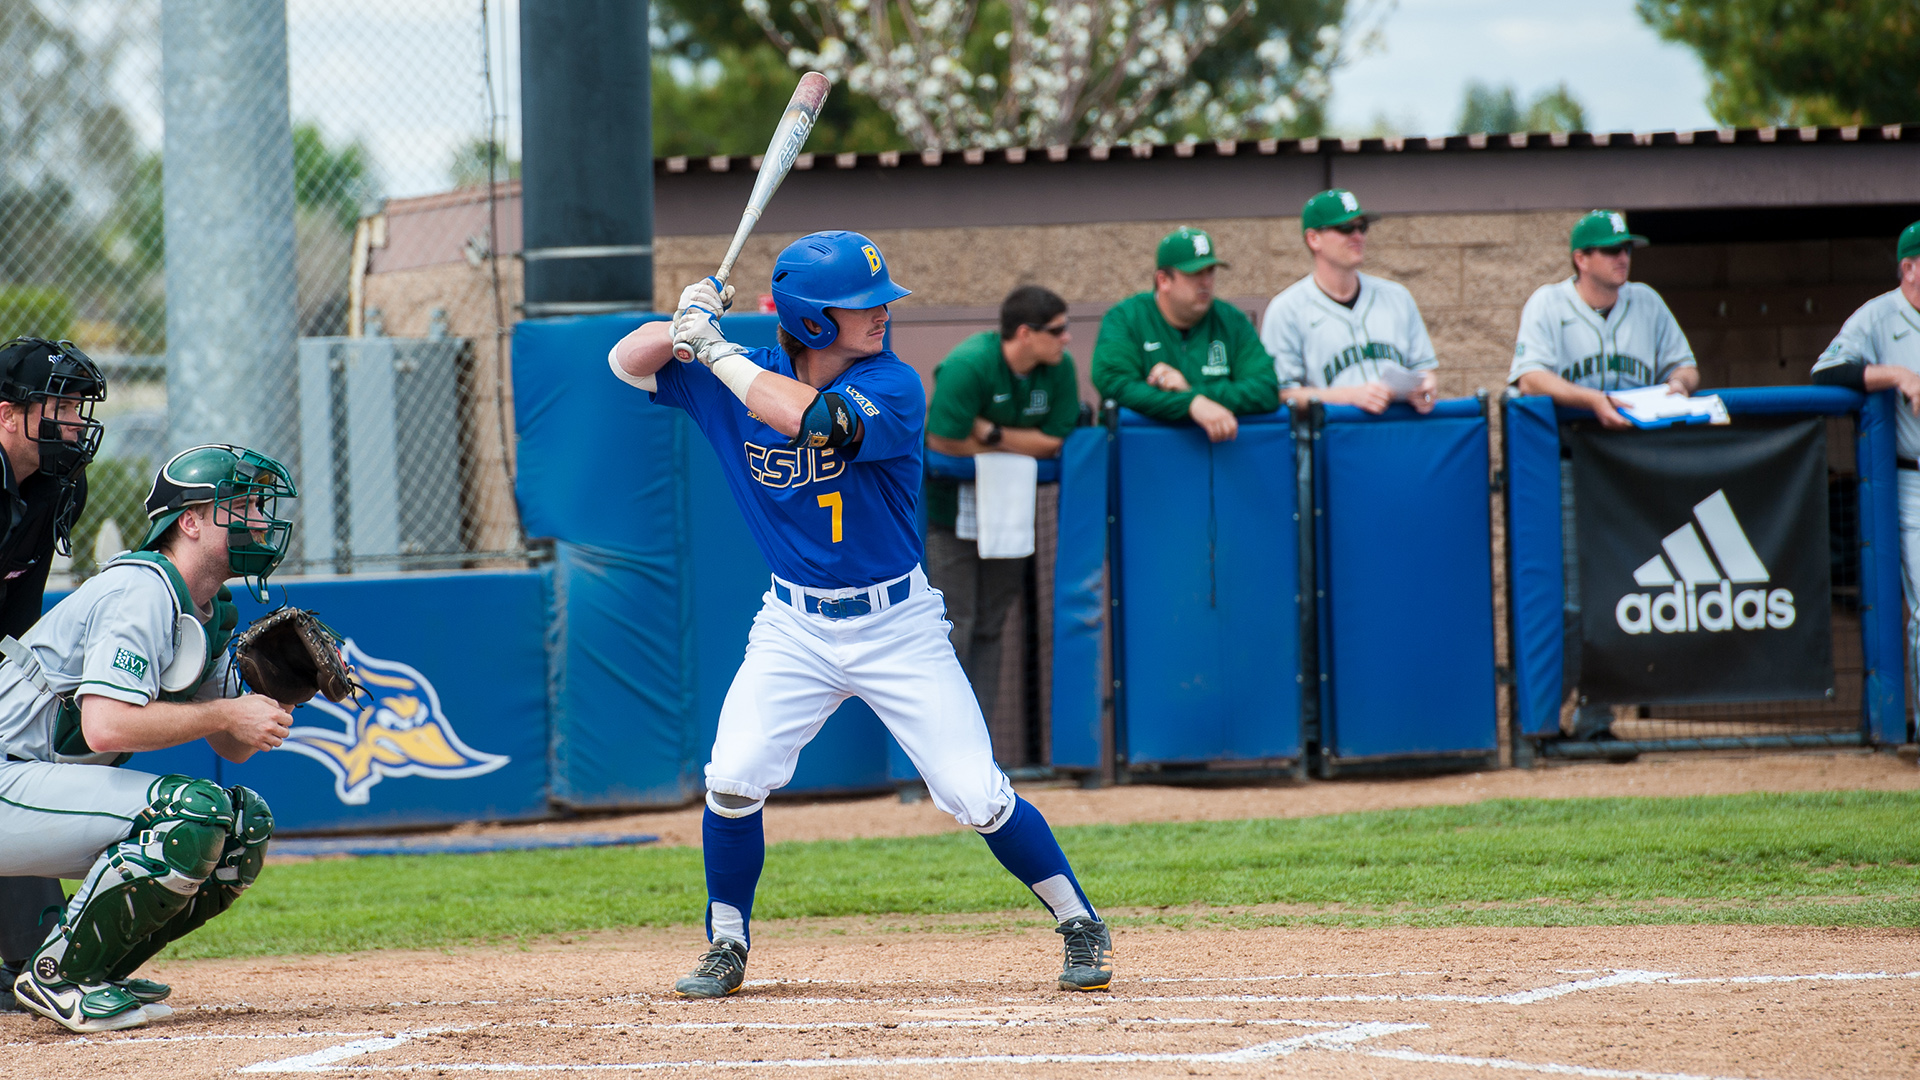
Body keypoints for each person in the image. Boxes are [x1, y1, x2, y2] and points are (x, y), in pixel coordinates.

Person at [607, 231, 1113, 998]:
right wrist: (680, 321)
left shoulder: (894, 383)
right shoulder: (733, 368)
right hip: (793, 626)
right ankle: (727, 942)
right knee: (733, 778)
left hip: (897, 625)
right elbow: (623, 364)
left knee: (975, 793)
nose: (881, 314)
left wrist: (710, 349)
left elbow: (818, 424)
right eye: (861, 305)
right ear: (812, 320)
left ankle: (1079, 921)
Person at [0, 444, 297, 1033]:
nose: (261, 520)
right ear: (189, 521)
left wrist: (282, 692)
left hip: (32, 784)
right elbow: (105, 726)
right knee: (193, 811)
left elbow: (234, 745)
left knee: (243, 823)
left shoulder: (208, 607)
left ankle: (95, 967)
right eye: (242, 505)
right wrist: (225, 715)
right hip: (8, 773)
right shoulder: (142, 588)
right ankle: (59, 978)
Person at [1508, 210, 1700, 742]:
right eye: (1612, 249)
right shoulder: (1549, 304)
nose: (1623, 257)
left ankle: (1596, 721)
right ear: (1581, 258)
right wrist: (1590, 399)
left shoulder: (1648, 303)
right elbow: (1530, 378)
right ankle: (1546, 715)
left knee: (1625, 596)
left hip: (1634, 472)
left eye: (1627, 248)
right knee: (1570, 601)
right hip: (1571, 468)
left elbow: (1685, 366)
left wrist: (1678, 387)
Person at [0, 338, 106, 1015]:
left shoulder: (60, 483)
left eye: (78, 405)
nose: (74, 420)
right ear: (8, 413)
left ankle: (27, 955)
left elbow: (18, 605)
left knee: (31, 742)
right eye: (58, 405)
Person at [924, 286, 1081, 723]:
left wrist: (990, 434)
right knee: (954, 628)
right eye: (1058, 330)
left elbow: (1053, 443)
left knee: (992, 628)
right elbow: (943, 439)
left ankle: (982, 741)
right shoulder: (969, 363)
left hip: (1010, 517)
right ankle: (940, 738)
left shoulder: (1059, 368)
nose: (1067, 338)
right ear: (1026, 334)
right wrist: (1018, 448)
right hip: (948, 518)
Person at [1810, 220, 1920, 698]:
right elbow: (1827, 372)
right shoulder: (1878, 317)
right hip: (1911, 479)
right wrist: (1895, 373)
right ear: (1909, 268)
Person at [1090, 227, 1279, 441]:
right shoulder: (1125, 318)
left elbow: (1266, 388)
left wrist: (1192, 392)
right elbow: (1115, 385)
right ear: (1163, 280)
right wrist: (1190, 404)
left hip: (1219, 459)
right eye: (1194, 273)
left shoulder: (1232, 320)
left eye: (1210, 271)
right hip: (1143, 455)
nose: (1206, 282)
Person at [1262, 189, 1439, 414]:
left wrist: (1426, 387)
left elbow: (1425, 371)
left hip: (1398, 436)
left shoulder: (1398, 297)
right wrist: (1349, 396)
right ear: (1313, 238)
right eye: (1345, 228)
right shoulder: (1286, 309)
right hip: (1334, 441)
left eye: (1361, 227)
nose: (1358, 236)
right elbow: (1282, 393)